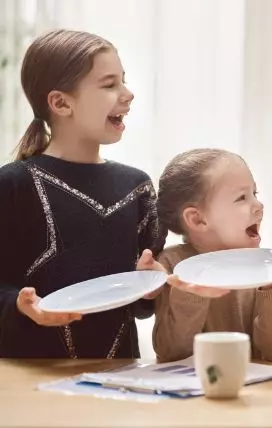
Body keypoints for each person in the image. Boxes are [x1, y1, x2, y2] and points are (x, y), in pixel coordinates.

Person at [0, 29, 165, 358]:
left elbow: (142, 307)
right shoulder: (14, 185)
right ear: (61, 102)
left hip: (118, 381)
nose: (128, 94)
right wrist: (19, 304)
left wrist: (153, 285)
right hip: (29, 384)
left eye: (123, 80)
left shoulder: (138, 187)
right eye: (109, 84)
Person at [151, 149, 272, 363]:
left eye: (255, 194)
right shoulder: (172, 264)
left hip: (252, 389)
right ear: (198, 220)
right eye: (242, 198)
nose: (259, 205)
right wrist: (190, 292)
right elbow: (171, 351)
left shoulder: (261, 264)